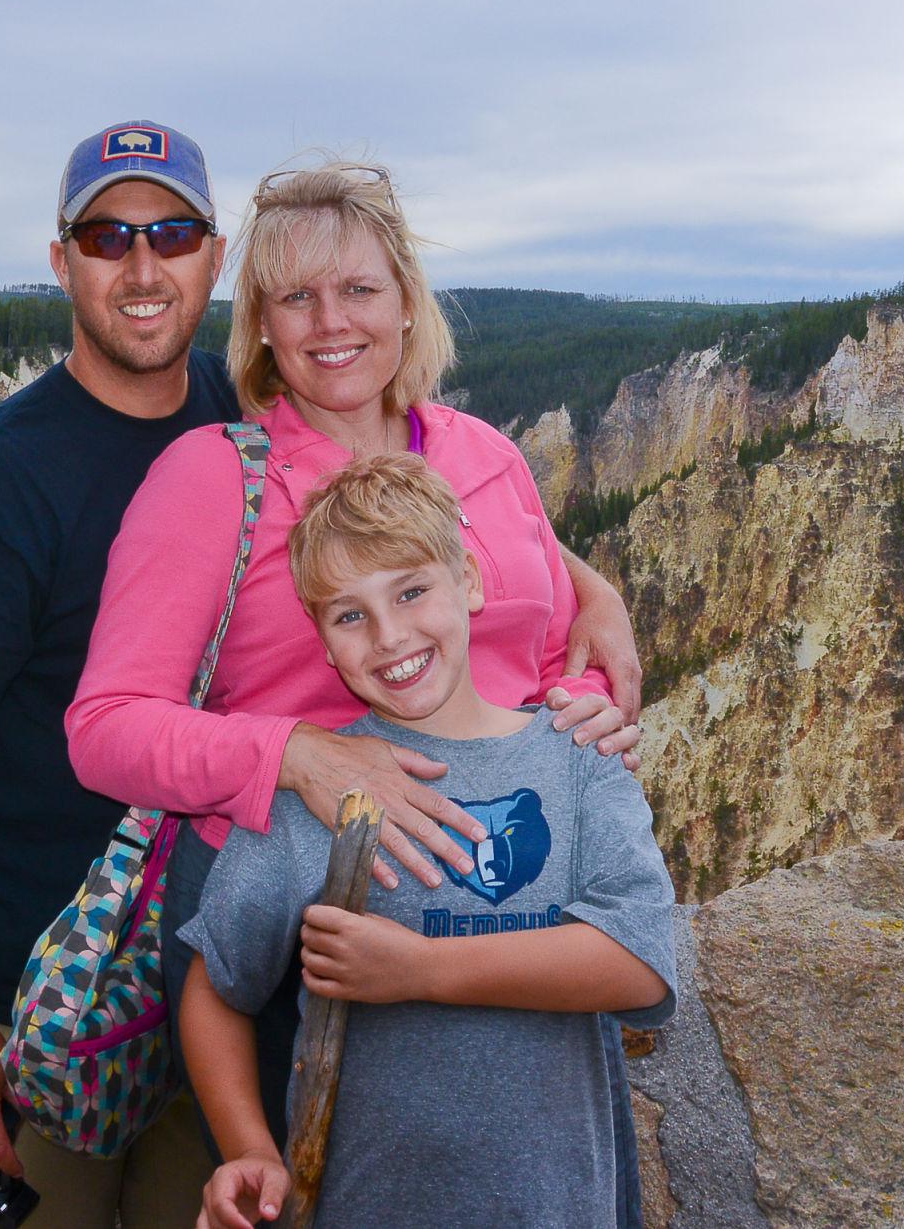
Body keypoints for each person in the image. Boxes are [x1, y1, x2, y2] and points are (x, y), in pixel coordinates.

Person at [0, 126, 639, 1224]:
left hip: (523, 914)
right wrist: (300, 754)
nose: (331, 323)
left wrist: (596, 642)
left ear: (408, 299)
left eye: (359, 289)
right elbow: (81, 730)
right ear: (261, 323)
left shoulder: (483, 456)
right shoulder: (204, 471)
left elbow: (531, 609)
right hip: (303, 933)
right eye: (295, 299)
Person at [0, 119, 239, 1227]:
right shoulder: (1, 480)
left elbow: (403, 488)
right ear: (61, 262)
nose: (143, 266)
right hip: (55, 1009)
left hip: (216, 987)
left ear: (216, 257)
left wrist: (585, 587)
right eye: (106, 237)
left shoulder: (244, 409)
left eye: (172, 234)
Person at [178, 453, 677, 1228]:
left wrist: (419, 968)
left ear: (469, 581)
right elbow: (216, 985)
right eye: (349, 615)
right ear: (323, 640)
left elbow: (639, 962)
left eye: (412, 591)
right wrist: (249, 1147)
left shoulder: (580, 756)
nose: (389, 636)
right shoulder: (321, 787)